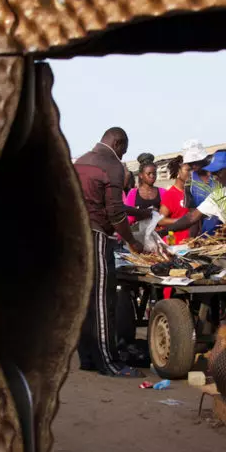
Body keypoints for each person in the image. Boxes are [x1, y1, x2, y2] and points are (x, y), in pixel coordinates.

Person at [73, 127, 146, 377]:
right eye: (123, 151)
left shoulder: (80, 162)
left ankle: (88, 358)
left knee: (84, 299)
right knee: (103, 299)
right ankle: (109, 361)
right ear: (117, 143)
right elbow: (115, 212)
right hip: (97, 236)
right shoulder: (111, 165)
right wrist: (132, 241)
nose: (123, 157)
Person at [180, 140, 222, 238]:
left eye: (196, 161)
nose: (193, 165)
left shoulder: (219, 174)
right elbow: (193, 217)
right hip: (207, 236)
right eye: (190, 163)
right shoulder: (190, 183)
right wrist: (191, 239)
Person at [124, 162, 179, 229]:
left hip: (160, 233)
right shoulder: (133, 193)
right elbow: (130, 218)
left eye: (154, 173)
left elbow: (169, 213)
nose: (152, 176)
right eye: (149, 173)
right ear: (141, 175)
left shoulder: (163, 192)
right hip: (140, 233)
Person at [162, 156, 191, 244]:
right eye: (188, 170)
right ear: (178, 172)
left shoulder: (193, 192)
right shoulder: (170, 194)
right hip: (177, 244)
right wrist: (184, 221)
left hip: (193, 242)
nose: (191, 173)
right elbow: (161, 220)